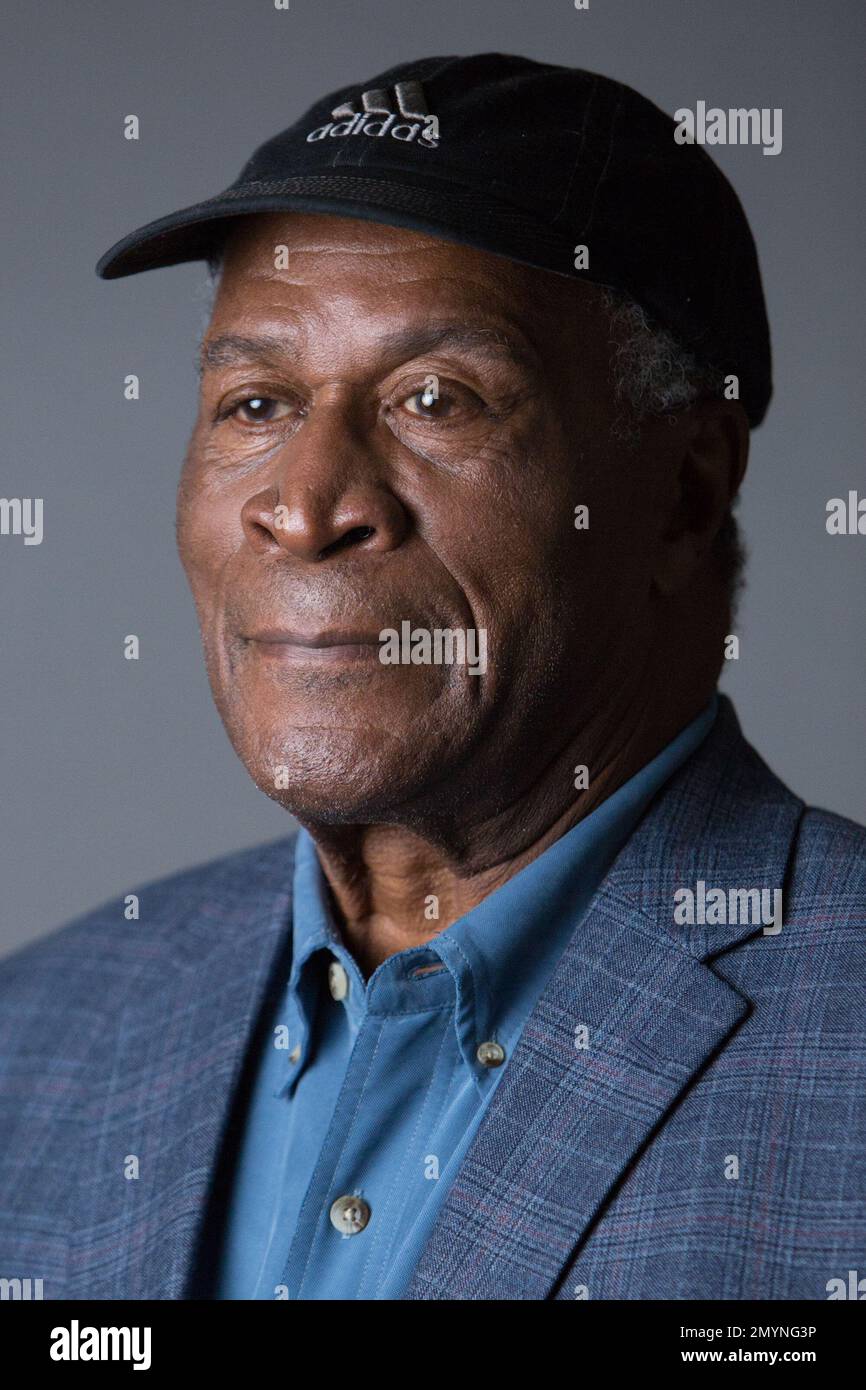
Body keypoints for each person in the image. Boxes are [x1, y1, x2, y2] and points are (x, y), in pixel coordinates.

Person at [1, 53, 863, 1301]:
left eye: (435, 398)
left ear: (683, 492)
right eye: (254, 403)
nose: (304, 504)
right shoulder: (38, 1037)